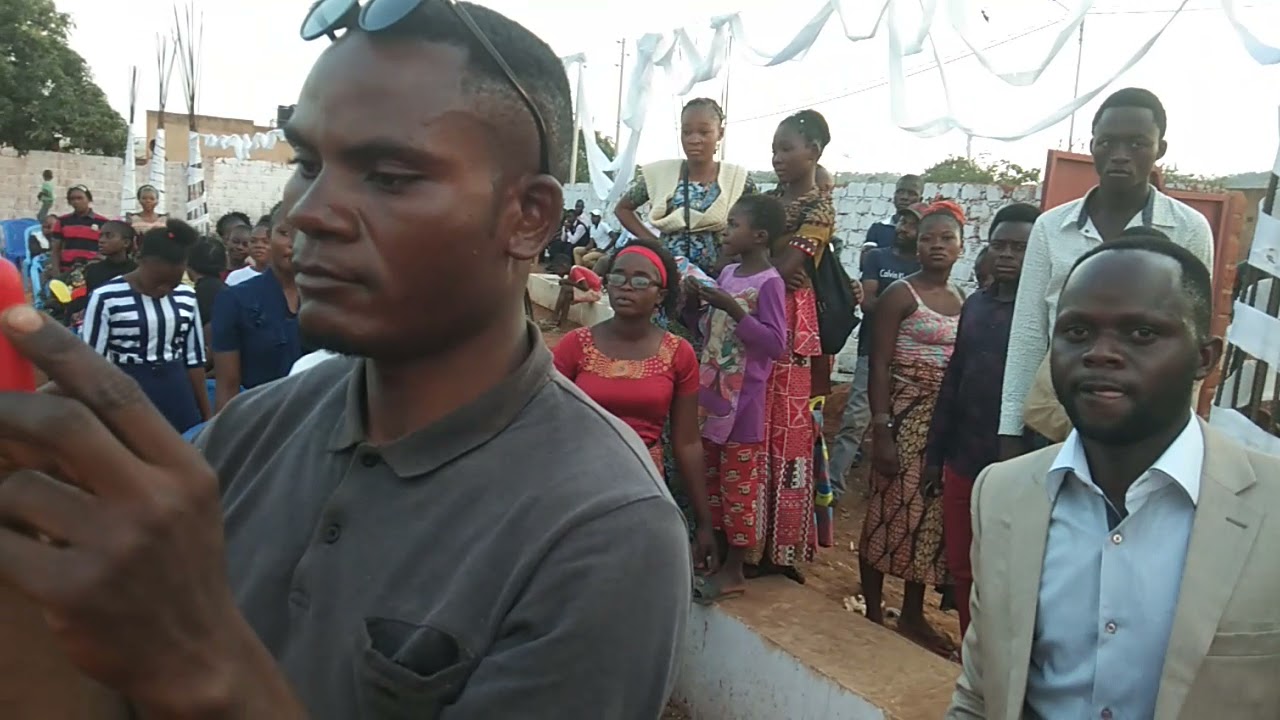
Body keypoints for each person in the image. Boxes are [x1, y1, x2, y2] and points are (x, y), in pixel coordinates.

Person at [0, 4, 692, 718]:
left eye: (389, 175)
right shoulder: (253, 430)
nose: (306, 211)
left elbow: (181, 663)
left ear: (528, 219)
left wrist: (205, 668)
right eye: (306, 163)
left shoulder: (606, 532)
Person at [947, 232, 1280, 719]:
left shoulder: (1270, 507)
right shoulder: (1003, 494)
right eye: (1077, 332)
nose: (1100, 353)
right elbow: (981, 692)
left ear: (1205, 360)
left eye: (1142, 334)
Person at [998, 88, 1214, 457]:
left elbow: (1191, 336)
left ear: (1160, 149)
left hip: (1145, 419)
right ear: (1092, 145)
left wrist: (1178, 429)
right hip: (1057, 411)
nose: (1119, 155)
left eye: (1137, 144)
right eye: (1107, 142)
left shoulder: (1189, 228)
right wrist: (1010, 428)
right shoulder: (1052, 227)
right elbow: (1028, 332)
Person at [552, 240, 715, 564]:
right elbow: (547, 425)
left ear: (661, 294)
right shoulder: (575, 346)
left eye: (641, 281)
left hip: (642, 485)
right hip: (578, 486)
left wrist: (704, 522)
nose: (626, 287)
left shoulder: (677, 353)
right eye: (617, 277)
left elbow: (687, 443)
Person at [922, 202, 1038, 640]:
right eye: (1000, 245)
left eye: (1021, 248)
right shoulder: (976, 307)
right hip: (964, 458)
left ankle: (1003, 660)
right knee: (963, 567)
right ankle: (974, 659)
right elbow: (955, 379)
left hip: (1020, 464)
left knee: (1008, 570)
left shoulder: (1047, 315)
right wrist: (935, 454)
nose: (1007, 255)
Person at [858, 201, 966, 649]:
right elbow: (878, 364)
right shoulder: (900, 295)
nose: (936, 245)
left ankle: (913, 614)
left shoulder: (962, 299)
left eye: (945, 238)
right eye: (927, 238)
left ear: (961, 246)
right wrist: (882, 428)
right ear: (915, 245)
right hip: (902, 417)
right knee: (888, 511)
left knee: (927, 519)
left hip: (941, 424)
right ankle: (871, 610)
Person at [685, 195, 789, 604]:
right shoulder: (727, 273)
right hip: (712, 393)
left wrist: (733, 308)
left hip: (744, 401)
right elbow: (710, 330)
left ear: (759, 235)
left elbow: (776, 344)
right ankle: (716, 554)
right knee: (712, 476)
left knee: (739, 483)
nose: (725, 232)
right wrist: (697, 307)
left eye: (732, 225)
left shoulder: (770, 283)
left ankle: (735, 568)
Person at [754, 109, 835, 581]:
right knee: (752, 428)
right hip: (760, 313)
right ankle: (747, 538)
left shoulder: (818, 207)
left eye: (787, 148)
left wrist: (759, 260)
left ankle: (782, 549)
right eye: (775, 148)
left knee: (788, 435)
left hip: (789, 324)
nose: (778, 157)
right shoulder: (767, 200)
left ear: (815, 152)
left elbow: (785, 269)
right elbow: (755, 257)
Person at [828, 202, 926, 498]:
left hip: (911, 357)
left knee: (905, 424)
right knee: (855, 420)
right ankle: (832, 487)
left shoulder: (925, 267)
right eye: (901, 222)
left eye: (911, 225)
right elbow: (866, 302)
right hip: (872, 352)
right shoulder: (877, 258)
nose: (902, 228)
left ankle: (892, 490)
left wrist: (889, 305)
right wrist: (904, 310)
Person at [80, 219, 211, 433]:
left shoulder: (186, 297)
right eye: (158, 282)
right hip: (127, 394)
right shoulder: (106, 297)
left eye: (173, 283)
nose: (165, 290)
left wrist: (206, 415)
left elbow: (193, 360)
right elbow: (93, 365)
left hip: (178, 394)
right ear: (140, 259)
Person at [615, 97, 755, 281]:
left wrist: (733, 255)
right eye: (687, 132)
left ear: (720, 133)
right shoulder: (661, 175)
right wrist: (656, 244)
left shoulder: (737, 179)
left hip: (721, 279)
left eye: (704, 132)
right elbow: (622, 209)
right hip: (669, 276)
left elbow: (758, 222)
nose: (694, 140)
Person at [211, 208, 303, 411]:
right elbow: (227, 387)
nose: (294, 242)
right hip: (262, 422)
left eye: (305, 233)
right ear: (270, 238)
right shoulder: (236, 299)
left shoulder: (330, 298)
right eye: (285, 233)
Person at [48, 185, 109, 276]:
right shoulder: (62, 222)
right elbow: (56, 249)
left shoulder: (103, 222)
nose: (76, 202)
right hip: (66, 271)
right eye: (72, 199)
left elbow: (107, 249)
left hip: (92, 271)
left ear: (89, 199)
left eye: (80, 198)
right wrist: (56, 271)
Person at [865, 174, 924, 249]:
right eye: (900, 192)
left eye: (911, 193)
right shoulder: (878, 229)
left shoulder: (925, 230)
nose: (904, 197)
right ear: (894, 195)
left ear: (920, 199)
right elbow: (866, 259)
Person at [82, 221, 139, 295]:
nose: (101, 240)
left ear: (126, 243)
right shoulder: (92, 270)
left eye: (109, 236)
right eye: (100, 236)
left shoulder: (136, 271)